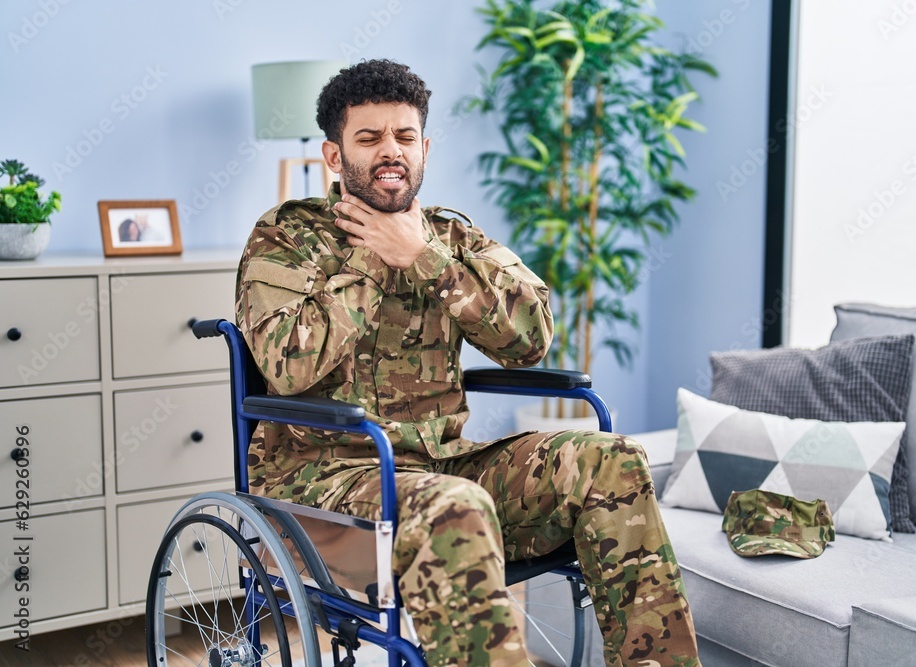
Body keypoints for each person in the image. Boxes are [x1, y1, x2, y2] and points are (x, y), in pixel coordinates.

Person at [236, 59, 700, 667]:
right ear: (333, 154)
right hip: (326, 483)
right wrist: (378, 258)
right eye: (369, 138)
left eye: (403, 137)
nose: (390, 152)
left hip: (445, 464)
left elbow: (532, 336)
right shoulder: (285, 238)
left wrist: (425, 258)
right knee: (456, 503)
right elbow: (286, 367)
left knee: (612, 461)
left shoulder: (451, 238)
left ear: (424, 148)